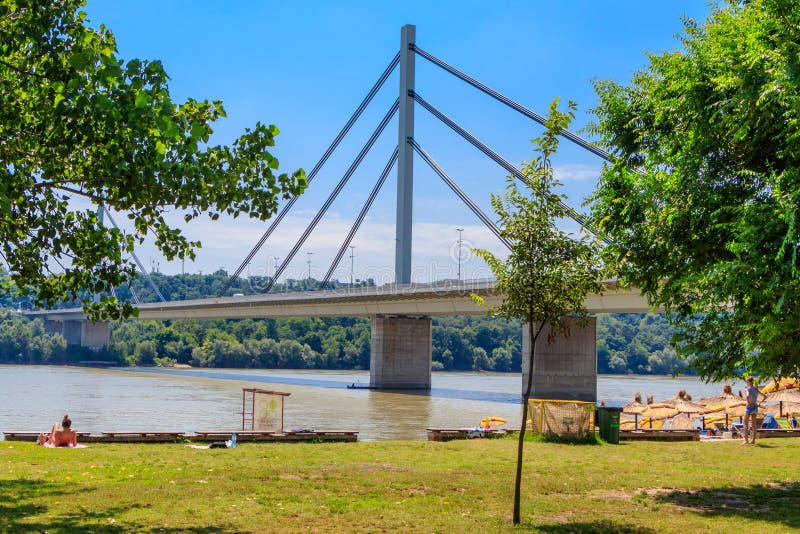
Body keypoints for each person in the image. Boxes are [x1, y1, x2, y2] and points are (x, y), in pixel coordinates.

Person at [742, 377, 766, 445]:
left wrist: (749, 403)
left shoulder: (748, 389)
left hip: (749, 407)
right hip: (755, 407)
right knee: (754, 425)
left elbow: (747, 396)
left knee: (745, 423)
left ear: (749, 382)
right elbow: (765, 396)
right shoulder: (756, 389)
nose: (746, 383)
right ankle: (753, 441)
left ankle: (746, 440)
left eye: (746, 382)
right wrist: (759, 403)